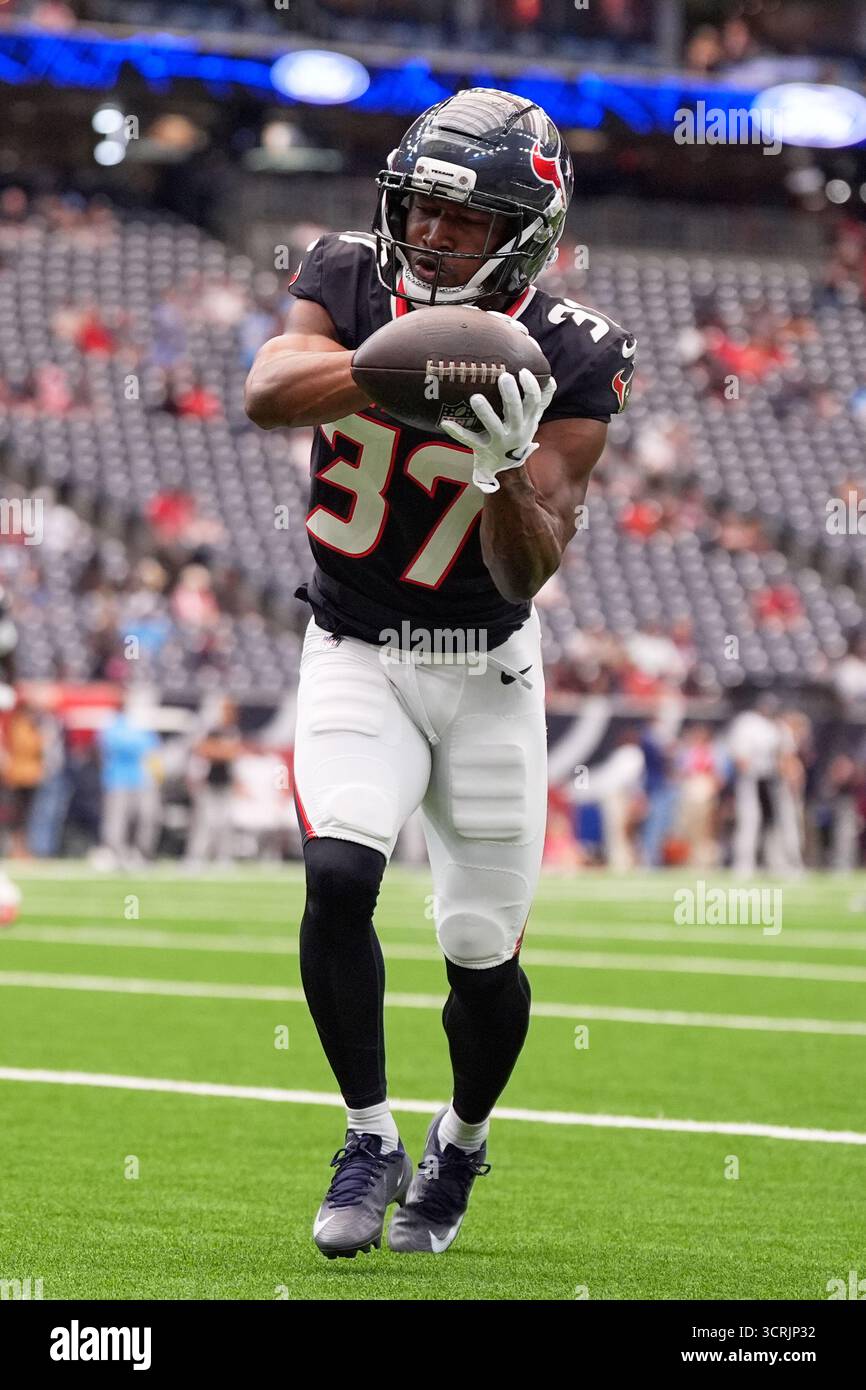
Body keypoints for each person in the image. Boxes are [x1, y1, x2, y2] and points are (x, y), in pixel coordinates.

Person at [245, 87, 636, 1259]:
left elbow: (529, 568)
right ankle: (366, 1138)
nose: (428, 234)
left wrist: (502, 468)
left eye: (460, 222)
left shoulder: (579, 353)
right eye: (417, 206)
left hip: (483, 672)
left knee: (476, 946)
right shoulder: (347, 275)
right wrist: (406, 372)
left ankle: (458, 1142)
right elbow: (268, 389)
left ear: (521, 231)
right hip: (355, 645)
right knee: (334, 873)